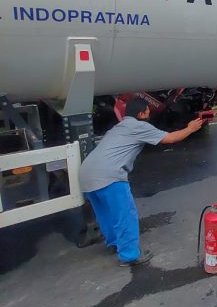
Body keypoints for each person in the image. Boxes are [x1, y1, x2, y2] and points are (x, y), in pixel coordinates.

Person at [79, 97, 204, 266]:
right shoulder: (139, 126)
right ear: (140, 114)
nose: (149, 112)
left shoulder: (120, 126)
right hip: (109, 176)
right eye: (147, 110)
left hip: (87, 174)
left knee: (106, 214)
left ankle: (115, 244)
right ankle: (130, 255)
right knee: (125, 215)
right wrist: (190, 128)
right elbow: (171, 138)